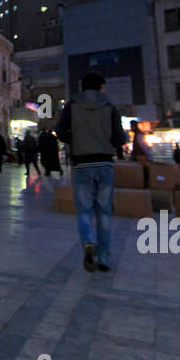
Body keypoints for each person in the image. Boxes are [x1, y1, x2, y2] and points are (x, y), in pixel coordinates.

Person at [56, 72, 127, 273]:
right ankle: (103, 257)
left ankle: (88, 242)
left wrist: (76, 140)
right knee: (104, 211)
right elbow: (119, 137)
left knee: (84, 210)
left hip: (81, 165)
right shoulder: (110, 106)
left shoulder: (71, 106)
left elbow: (60, 132)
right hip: (104, 164)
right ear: (99, 87)